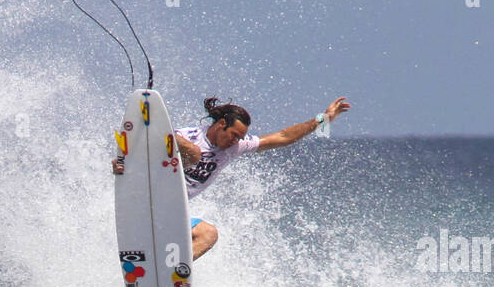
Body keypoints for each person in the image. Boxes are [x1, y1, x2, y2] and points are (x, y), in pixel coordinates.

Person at [114, 94, 352, 260]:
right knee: (193, 153)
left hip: (170, 215)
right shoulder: (187, 136)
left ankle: (173, 272)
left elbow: (282, 137)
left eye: (240, 138)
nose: (236, 142)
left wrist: (323, 119)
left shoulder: (234, 148)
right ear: (220, 125)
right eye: (233, 135)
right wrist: (124, 163)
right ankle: (152, 126)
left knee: (208, 234)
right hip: (144, 200)